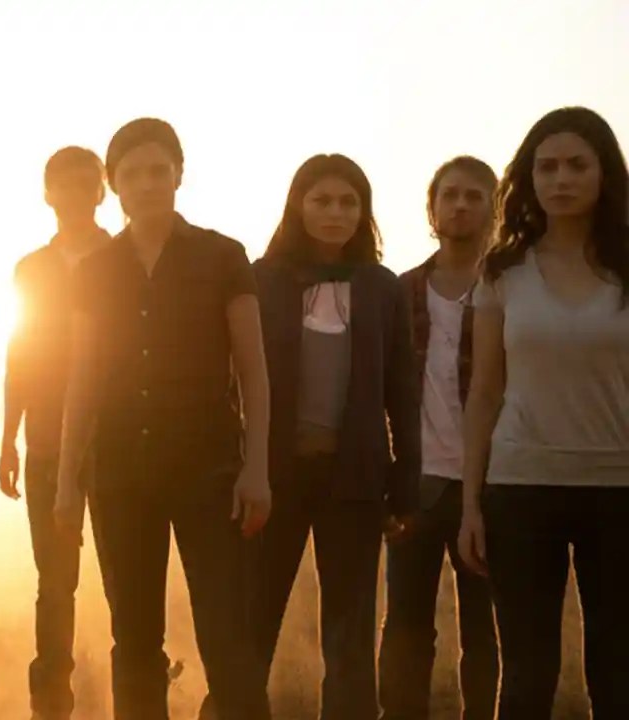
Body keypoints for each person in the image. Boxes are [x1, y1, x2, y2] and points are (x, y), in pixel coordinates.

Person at [54, 118, 273, 720]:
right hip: (121, 473)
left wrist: (256, 470)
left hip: (211, 469)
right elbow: (84, 377)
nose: (148, 184)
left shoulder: (223, 256)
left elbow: (253, 372)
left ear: (179, 174)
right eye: (132, 174)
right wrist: (68, 480)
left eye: (159, 170)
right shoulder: (94, 271)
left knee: (228, 635)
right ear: (114, 185)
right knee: (135, 640)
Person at [458, 106, 629, 720]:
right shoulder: (502, 271)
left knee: (618, 676)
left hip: (619, 491)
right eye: (547, 166)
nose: (561, 178)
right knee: (527, 677)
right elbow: (483, 394)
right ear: (528, 178)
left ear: (604, 173)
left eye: (577, 165)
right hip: (520, 489)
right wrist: (471, 503)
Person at [249, 154, 419, 720]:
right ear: (298, 206)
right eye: (321, 200)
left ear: (364, 213)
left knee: (349, 636)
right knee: (250, 626)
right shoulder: (260, 280)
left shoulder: (382, 288)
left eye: (349, 202)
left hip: (355, 480)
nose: (335, 212)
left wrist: (406, 479)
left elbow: (402, 389)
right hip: (274, 479)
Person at [378, 157, 499, 720]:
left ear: (494, 209)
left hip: (491, 484)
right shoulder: (400, 293)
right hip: (417, 483)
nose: (460, 205)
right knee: (405, 627)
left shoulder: (509, 292)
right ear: (431, 210)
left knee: (486, 629)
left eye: (474, 195)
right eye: (449, 195)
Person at [0, 146, 110, 720]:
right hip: (43, 438)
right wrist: (6, 440)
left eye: (85, 184)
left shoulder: (122, 258)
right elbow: (20, 352)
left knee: (124, 578)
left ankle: (135, 693)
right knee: (55, 580)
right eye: (62, 185)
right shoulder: (31, 269)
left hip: (115, 440)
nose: (73, 194)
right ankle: (52, 700)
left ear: (101, 190)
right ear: (48, 193)